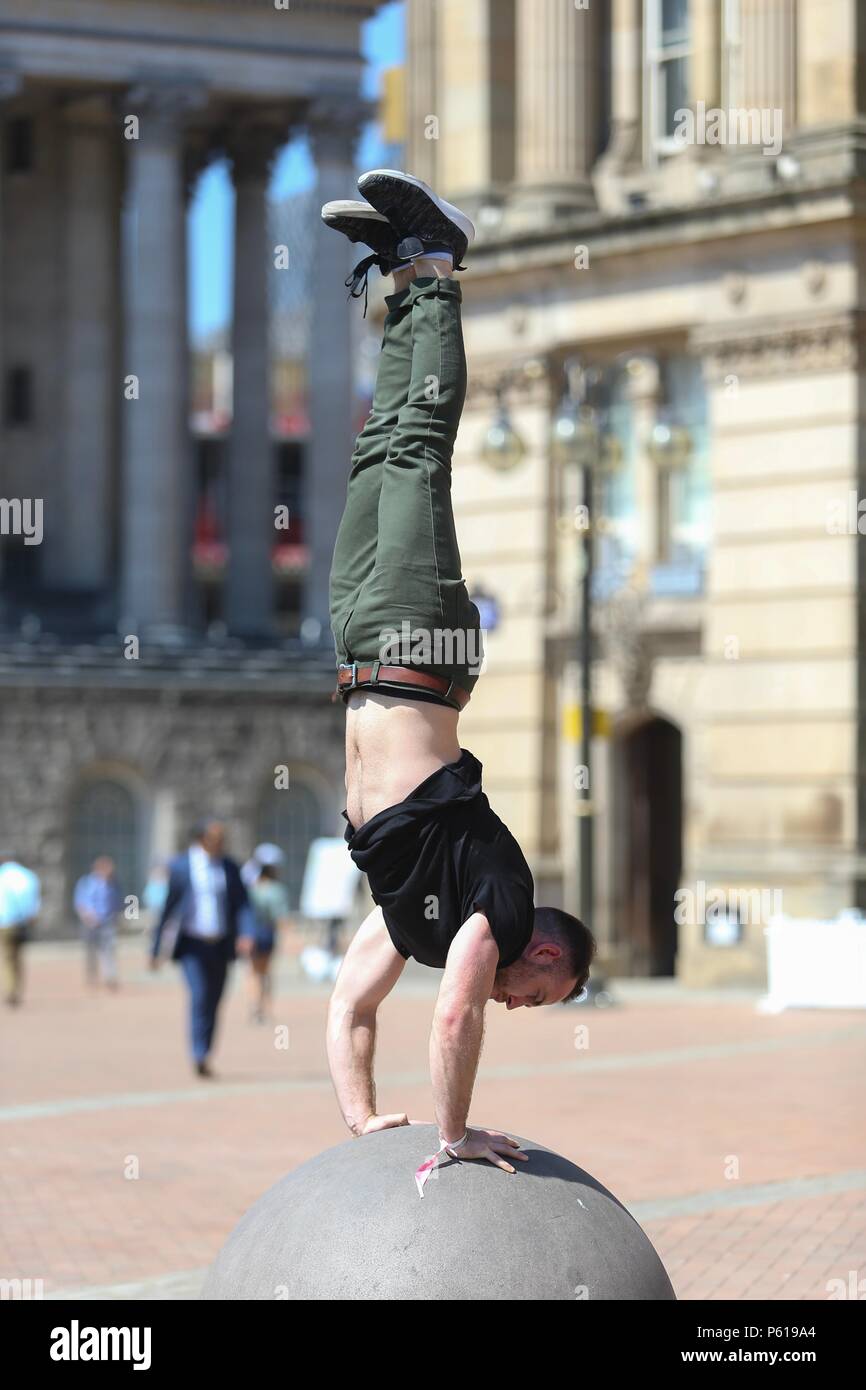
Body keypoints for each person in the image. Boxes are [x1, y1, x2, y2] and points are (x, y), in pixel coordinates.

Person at [322, 171, 596, 1178]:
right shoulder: (505, 907)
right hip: (417, 650)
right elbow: (448, 1017)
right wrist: (451, 1134)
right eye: (540, 997)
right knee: (417, 456)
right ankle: (436, 262)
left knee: (376, 454)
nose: (519, 1007)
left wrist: (361, 1119)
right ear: (545, 959)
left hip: (362, 654)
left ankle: (400, 272)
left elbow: (353, 1003)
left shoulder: (416, 917)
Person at [150, 818, 250, 1078]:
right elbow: (167, 910)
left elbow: (242, 905)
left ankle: (205, 1051)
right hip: (192, 946)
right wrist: (156, 948)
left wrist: (246, 933)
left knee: (215, 999)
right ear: (201, 839)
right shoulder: (182, 867)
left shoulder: (229, 867)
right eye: (216, 839)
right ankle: (198, 1053)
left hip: (220, 945)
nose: (221, 844)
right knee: (200, 995)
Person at [242, 858, 291, 1024]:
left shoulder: (251, 889)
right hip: (268, 933)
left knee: (253, 971)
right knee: (266, 972)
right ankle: (267, 1007)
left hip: (252, 933)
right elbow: (281, 916)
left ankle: (254, 1006)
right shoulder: (277, 890)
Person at [73, 856, 123, 990]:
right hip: (90, 922)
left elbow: (117, 902)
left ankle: (110, 976)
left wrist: (119, 918)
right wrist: (88, 916)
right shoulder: (86, 883)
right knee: (91, 951)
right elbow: (80, 902)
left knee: (109, 949)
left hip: (107, 921)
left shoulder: (113, 883)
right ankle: (92, 976)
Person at [0, 853, 40, 1007]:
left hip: (4, 922)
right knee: (18, 957)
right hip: (21, 923)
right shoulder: (28, 876)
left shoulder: (2, 876)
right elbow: (34, 902)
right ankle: (17, 988)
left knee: (7, 958)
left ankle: (11, 990)